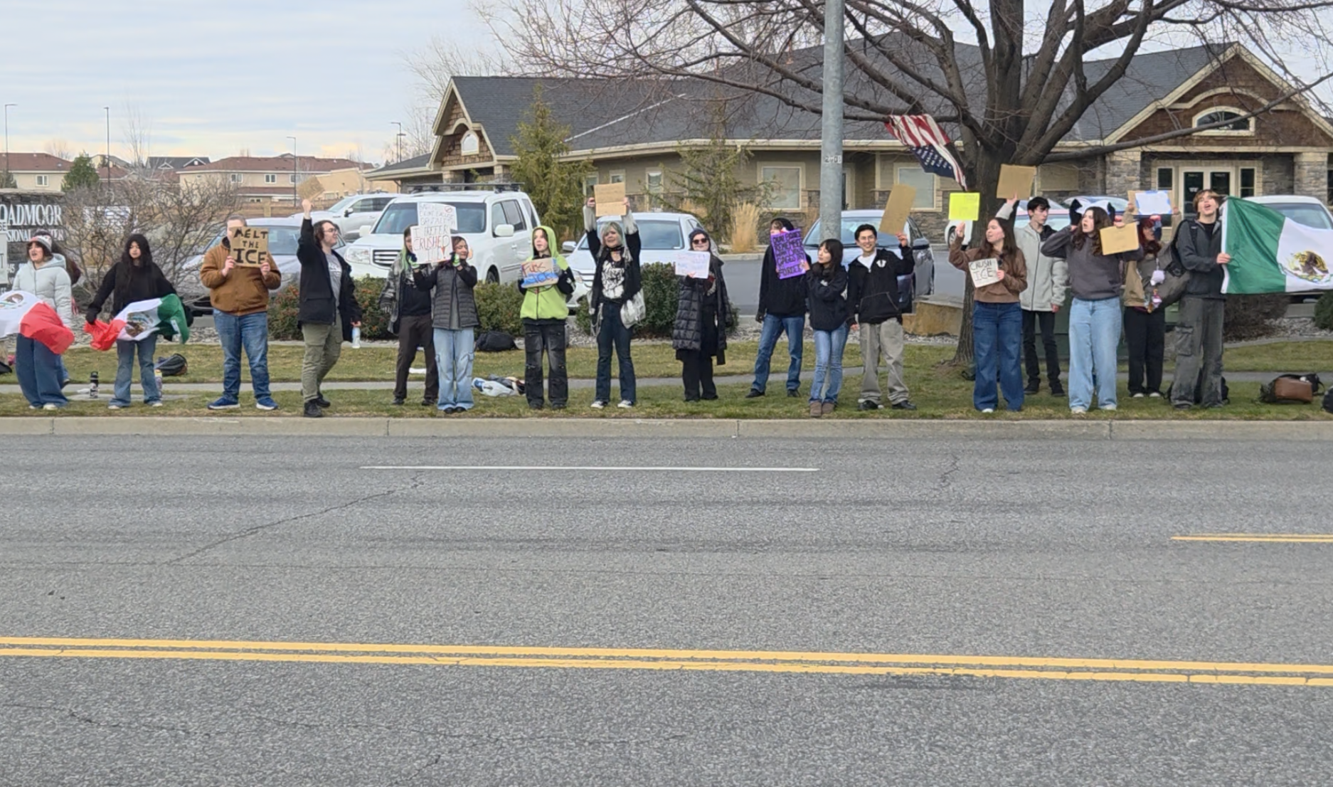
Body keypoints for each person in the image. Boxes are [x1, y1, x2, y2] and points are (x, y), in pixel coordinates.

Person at [1042, 204, 1143, 414]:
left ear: (1098, 221)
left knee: (1105, 356)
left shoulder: (1109, 239)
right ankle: (1079, 402)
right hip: (1080, 303)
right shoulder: (1073, 241)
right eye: (1084, 217)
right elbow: (1047, 248)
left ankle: (1107, 400)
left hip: (1106, 304)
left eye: (1090, 217)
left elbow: (1136, 253)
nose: (1085, 220)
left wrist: (1124, 232)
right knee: (1079, 355)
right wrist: (1067, 229)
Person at [199, 214, 282, 411]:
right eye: (231, 229)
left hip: (254, 313)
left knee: (258, 359)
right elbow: (206, 279)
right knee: (230, 359)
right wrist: (223, 271)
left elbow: (275, 281)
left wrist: (266, 274)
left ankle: (263, 397)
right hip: (225, 313)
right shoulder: (215, 253)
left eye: (238, 229)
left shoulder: (260, 252)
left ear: (246, 230)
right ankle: (230, 397)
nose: (234, 233)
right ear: (226, 231)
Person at [86, 234, 177, 410]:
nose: (134, 250)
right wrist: (93, 309)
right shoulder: (119, 269)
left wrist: (177, 313)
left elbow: (168, 293)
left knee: (146, 361)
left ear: (144, 249)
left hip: (147, 323)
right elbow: (104, 290)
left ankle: (152, 396)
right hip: (124, 324)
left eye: (138, 247)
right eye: (131, 247)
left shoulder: (153, 270)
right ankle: (121, 398)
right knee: (124, 361)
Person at [950, 218, 1029, 412]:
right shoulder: (978, 254)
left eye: (993, 227)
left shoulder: (1016, 254)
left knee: (1011, 356)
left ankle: (1014, 401)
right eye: (988, 228)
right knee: (985, 356)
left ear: (1004, 232)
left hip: (1009, 309)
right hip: (984, 309)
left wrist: (1005, 277)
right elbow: (956, 259)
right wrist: (958, 239)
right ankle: (985, 401)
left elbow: (1022, 284)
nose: (989, 231)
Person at [297, 197, 362, 418]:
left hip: (335, 315)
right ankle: (309, 401)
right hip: (315, 314)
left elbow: (347, 291)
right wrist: (307, 214)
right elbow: (304, 243)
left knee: (332, 354)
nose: (335, 233)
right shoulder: (312, 256)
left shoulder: (338, 260)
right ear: (319, 235)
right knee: (313, 357)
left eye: (335, 230)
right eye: (330, 230)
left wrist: (354, 314)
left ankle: (310, 387)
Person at [997, 196, 1067, 396]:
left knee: (1048, 340)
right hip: (1024, 298)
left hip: (1046, 298)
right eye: (1040, 210)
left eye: (1046, 210)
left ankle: (1055, 382)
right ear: (1030, 212)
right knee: (1027, 340)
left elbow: (1059, 271)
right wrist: (1009, 204)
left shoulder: (1052, 237)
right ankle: (1033, 380)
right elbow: (999, 224)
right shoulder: (1020, 235)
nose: (1044, 214)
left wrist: (1057, 297)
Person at [846, 223, 917, 411]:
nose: (867, 241)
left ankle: (899, 397)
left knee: (894, 358)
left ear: (875, 239)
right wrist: (850, 318)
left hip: (889, 316)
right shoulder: (854, 267)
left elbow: (906, 267)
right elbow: (852, 296)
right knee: (869, 361)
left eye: (870, 237)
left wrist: (905, 247)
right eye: (863, 238)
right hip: (867, 318)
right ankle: (870, 396)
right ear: (857, 242)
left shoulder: (888, 257)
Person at [1171, 190, 1229, 410]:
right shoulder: (1188, 228)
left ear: (1217, 204)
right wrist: (1213, 261)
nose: (1207, 202)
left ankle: (1212, 398)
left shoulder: (1226, 229)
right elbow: (1188, 259)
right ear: (1196, 207)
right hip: (1194, 296)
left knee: (1215, 353)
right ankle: (1182, 398)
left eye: (1210, 199)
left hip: (1217, 296)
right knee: (1189, 351)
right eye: (1202, 200)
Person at [585, 197, 641, 409]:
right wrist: (589, 210)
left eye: (613, 233)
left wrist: (626, 213)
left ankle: (628, 397)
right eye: (606, 234)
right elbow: (590, 233)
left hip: (623, 310)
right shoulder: (601, 255)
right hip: (604, 310)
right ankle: (601, 397)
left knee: (624, 355)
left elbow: (633, 235)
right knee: (603, 356)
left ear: (619, 235)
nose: (610, 236)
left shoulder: (630, 255)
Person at [414, 235, 479, 413]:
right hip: (442, 324)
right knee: (444, 364)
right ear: (450, 250)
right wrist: (416, 270)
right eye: (459, 247)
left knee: (464, 364)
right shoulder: (439, 271)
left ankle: (464, 401)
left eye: (465, 247)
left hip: (465, 324)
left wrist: (459, 266)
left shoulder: (469, 269)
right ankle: (446, 401)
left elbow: (471, 280)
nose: (464, 250)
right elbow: (424, 285)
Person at [517, 223, 576, 410]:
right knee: (533, 363)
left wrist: (560, 274)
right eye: (535, 238)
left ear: (550, 240)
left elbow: (570, 288)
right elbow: (522, 290)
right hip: (531, 318)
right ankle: (534, 399)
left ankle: (558, 398)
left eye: (542, 237)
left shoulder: (560, 262)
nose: (539, 241)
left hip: (553, 318)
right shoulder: (529, 262)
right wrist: (521, 279)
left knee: (556, 361)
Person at [748, 217, 807, 398]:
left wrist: (796, 270)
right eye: (771, 228)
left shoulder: (797, 251)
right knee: (764, 349)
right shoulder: (770, 252)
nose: (772, 231)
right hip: (773, 311)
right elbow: (765, 281)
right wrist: (762, 307)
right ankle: (758, 385)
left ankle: (792, 385)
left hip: (794, 312)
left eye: (777, 228)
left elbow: (805, 281)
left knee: (795, 351)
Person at [12, 235, 73, 409]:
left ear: (46, 250)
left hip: (48, 324)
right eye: (30, 247)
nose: (33, 250)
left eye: (37, 246)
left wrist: (65, 326)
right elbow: (15, 296)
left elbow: (63, 301)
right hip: (27, 324)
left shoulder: (59, 272)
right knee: (24, 363)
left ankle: (52, 398)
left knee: (44, 362)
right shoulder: (22, 272)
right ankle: (35, 399)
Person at [381, 226, 439, 407]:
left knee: (432, 356)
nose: (412, 244)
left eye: (415, 240)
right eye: (408, 241)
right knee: (404, 356)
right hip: (407, 315)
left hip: (429, 314)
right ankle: (399, 394)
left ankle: (430, 395)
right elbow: (390, 285)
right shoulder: (399, 262)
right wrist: (387, 304)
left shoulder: (432, 261)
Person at [672, 228, 729, 402]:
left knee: (706, 355)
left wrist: (725, 314)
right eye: (696, 241)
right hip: (691, 316)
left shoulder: (715, 263)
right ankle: (691, 394)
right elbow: (684, 282)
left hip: (709, 316)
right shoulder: (686, 262)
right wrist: (690, 277)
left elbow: (721, 291)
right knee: (691, 358)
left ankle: (709, 392)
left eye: (703, 240)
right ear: (691, 244)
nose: (700, 243)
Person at [1123, 216, 1167, 398]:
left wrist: (1175, 215)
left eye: (1153, 228)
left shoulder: (1161, 249)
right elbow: (1124, 232)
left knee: (1155, 349)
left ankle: (1154, 387)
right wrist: (1129, 212)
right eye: (1147, 228)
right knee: (1136, 350)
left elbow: (1176, 243)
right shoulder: (1132, 250)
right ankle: (1136, 387)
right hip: (1135, 305)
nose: (1151, 231)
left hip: (1155, 303)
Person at [806, 238, 849, 417]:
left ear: (834, 254)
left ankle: (831, 397)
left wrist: (809, 277)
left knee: (835, 361)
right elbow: (806, 291)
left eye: (825, 251)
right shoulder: (813, 271)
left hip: (837, 323)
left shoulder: (841, 274)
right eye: (820, 250)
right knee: (822, 361)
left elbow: (827, 293)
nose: (821, 254)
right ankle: (815, 398)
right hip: (819, 324)